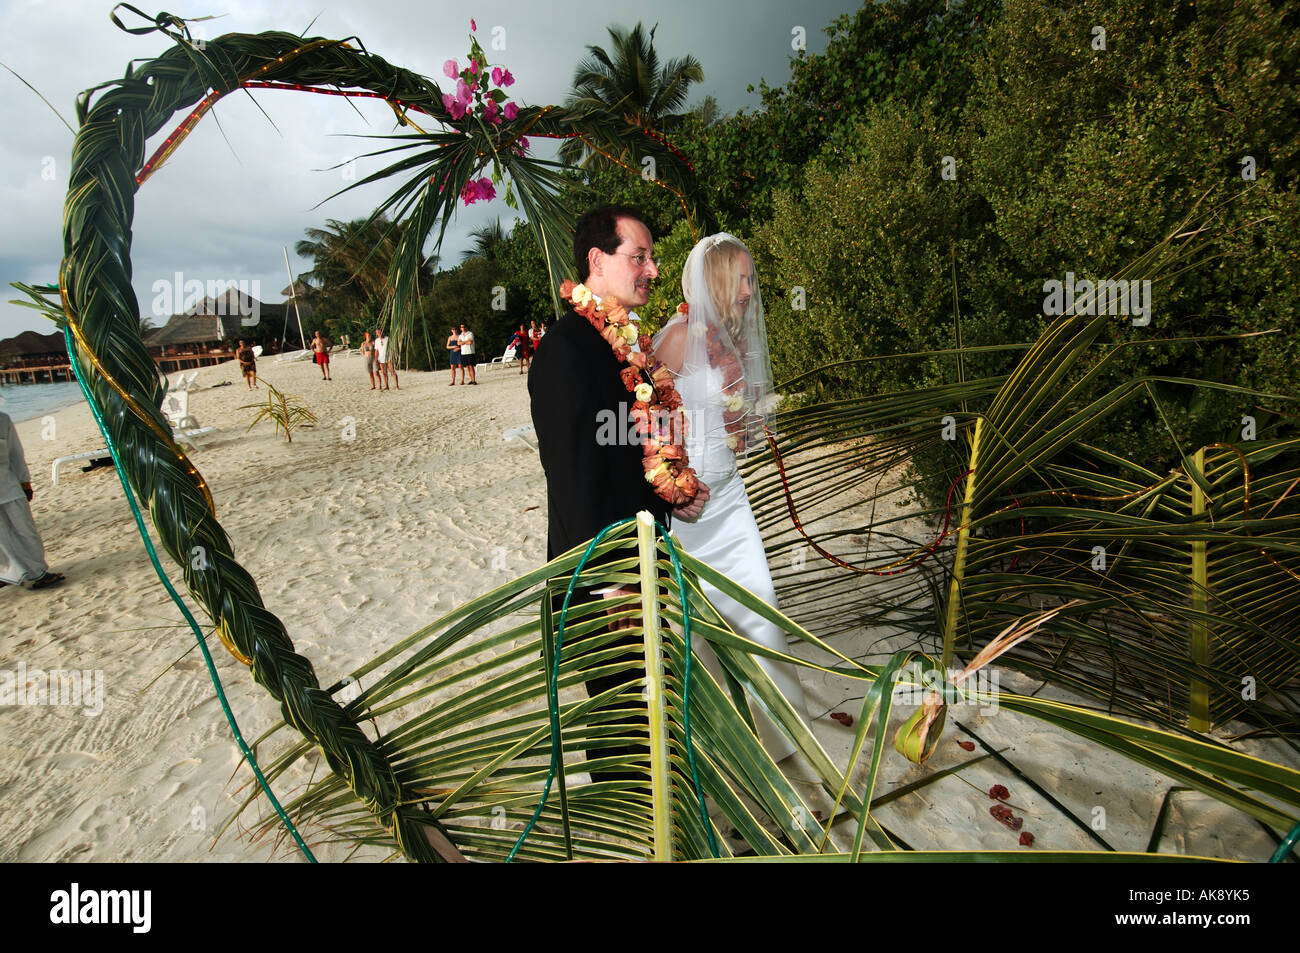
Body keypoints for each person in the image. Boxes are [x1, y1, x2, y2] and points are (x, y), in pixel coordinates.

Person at [529, 204, 707, 782]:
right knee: (621, 727)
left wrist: (673, 492)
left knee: (649, 716)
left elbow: (630, 456)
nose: (654, 269)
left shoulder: (626, 345)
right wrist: (611, 583)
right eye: (641, 256)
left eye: (652, 257)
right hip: (605, 576)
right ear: (597, 261)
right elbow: (577, 477)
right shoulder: (567, 347)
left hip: (639, 561)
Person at [652, 233, 810, 762]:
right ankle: (714, 746)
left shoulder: (731, 339)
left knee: (759, 601)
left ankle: (782, 732)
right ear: (715, 279)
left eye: (751, 279)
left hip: (731, 498)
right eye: (740, 278)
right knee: (694, 628)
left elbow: (735, 416)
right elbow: (650, 425)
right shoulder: (675, 338)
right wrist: (674, 487)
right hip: (690, 508)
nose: (749, 289)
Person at [0, 412, 64, 590]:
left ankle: (38, 573)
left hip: (10, 486)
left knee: (26, 530)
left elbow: (15, 454)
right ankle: (9, 573)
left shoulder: (3, 419)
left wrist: (25, 482)